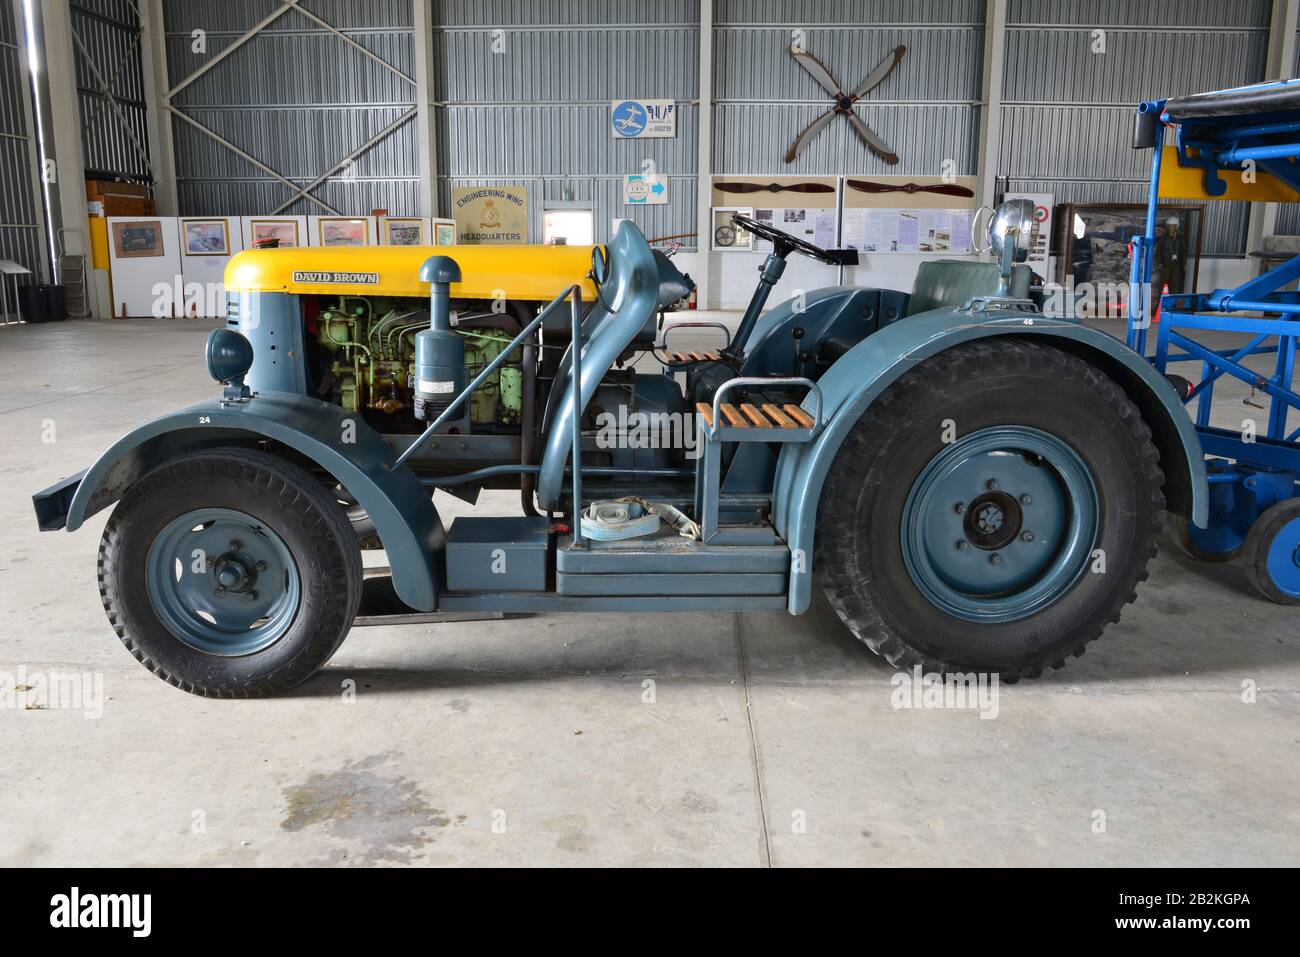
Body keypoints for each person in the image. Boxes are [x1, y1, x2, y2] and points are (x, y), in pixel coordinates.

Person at [1153, 215, 1186, 295]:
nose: (1171, 227)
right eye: (1170, 226)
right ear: (1167, 227)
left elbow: (1183, 252)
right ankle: (1161, 303)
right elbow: (1158, 252)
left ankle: (1172, 303)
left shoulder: (1180, 239)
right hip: (1165, 265)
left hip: (1176, 265)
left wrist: (1184, 263)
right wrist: (1159, 263)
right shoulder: (1162, 239)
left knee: (1175, 285)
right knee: (1163, 285)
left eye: (1173, 226)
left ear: (1176, 226)